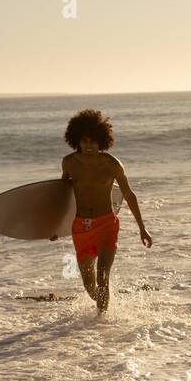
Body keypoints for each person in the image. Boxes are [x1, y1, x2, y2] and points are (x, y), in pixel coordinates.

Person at [56, 109, 152, 314]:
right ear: (77, 141)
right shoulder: (69, 163)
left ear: (102, 141)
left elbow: (128, 194)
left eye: (93, 141)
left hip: (106, 224)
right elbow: (62, 197)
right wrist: (55, 227)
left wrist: (142, 229)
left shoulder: (112, 164)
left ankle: (100, 326)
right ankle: (102, 310)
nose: (88, 146)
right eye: (84, 141)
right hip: (81, 227)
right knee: (90, 287)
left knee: (103, 277)